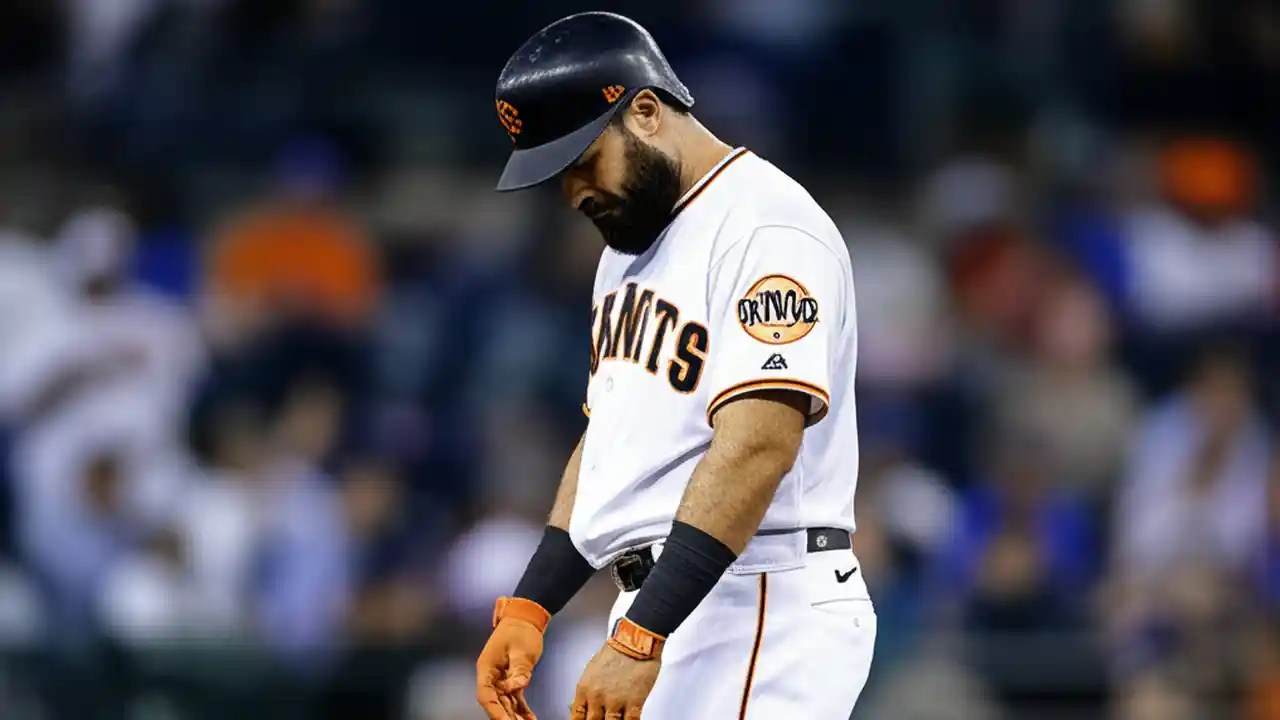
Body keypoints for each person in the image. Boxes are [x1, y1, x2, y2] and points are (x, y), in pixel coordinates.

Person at [475, 12, 874, 720]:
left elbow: (757, 447)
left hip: (760, 600)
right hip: (675, 605)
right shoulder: (624, 253)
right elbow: (613, 447)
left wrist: (640, 635)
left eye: (580, 162)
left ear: (648, 112)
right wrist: (532, 605)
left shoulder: (766, 227)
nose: (573, 194)